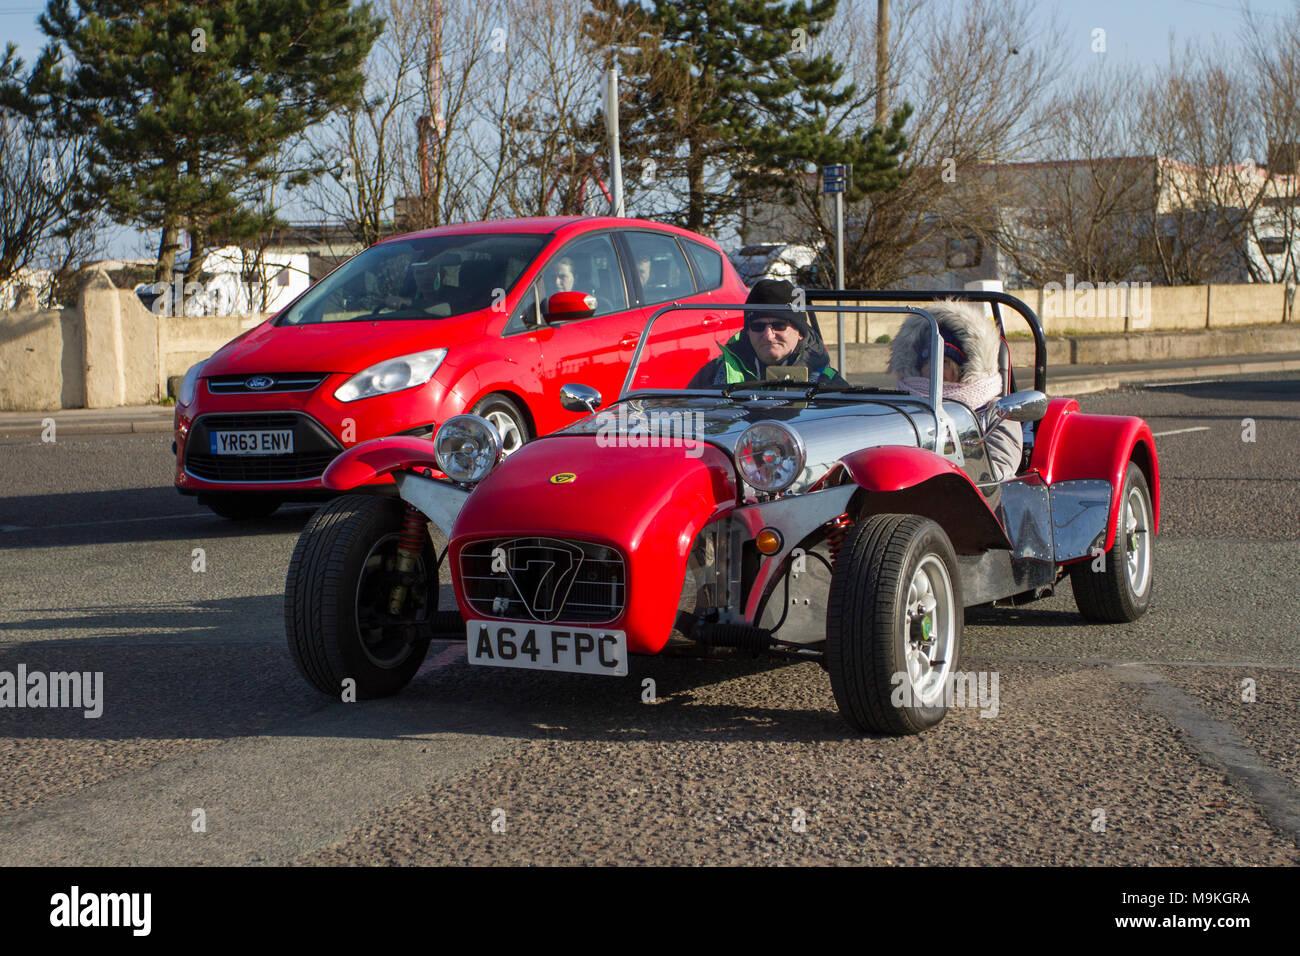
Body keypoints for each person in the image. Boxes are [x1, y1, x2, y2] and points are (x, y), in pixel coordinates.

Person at [887, 298, 1023, 481]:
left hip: (979, 500)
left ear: (964, 369)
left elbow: (1000, 467)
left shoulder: (995, 412)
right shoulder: (902, 407)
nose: (935, 370)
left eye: (945, 362)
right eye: (928, 362)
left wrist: (943, 479)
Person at [689, 279, 849, 387]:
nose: (768, 336)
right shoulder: (713, 374)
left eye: (779, 326)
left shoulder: (827, 381)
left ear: (800, 331)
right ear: (747, 332)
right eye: (758, 327)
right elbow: (687, 420)